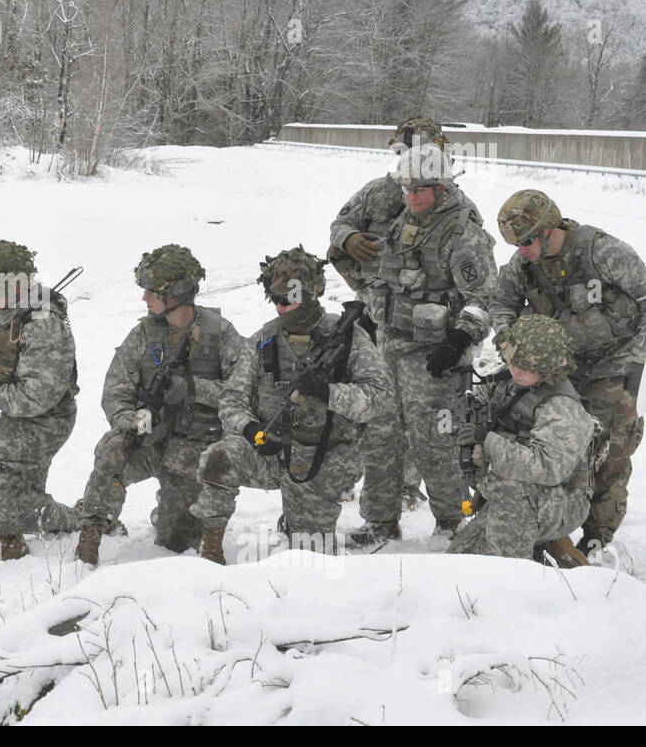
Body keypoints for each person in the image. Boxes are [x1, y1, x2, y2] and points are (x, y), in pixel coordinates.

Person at [190, 248, 394, 562]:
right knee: (218, 458)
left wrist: (328, 393)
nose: (281, 309)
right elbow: (232, 400)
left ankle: (299, 518)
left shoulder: (348, 339)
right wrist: (250, 429)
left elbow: (379, 399)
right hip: (271, 451)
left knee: (311, 557)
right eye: (276, 301)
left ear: (312, 295)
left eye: (288, 300)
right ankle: (212, 547)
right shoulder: (264, 340)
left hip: (326, 457)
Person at [328, 119, 483, 520]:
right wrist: (367, 291)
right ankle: (380, 521)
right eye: (406, 189)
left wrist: (460, 339)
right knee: (381, 435)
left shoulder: (460, 230)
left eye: (418, 190)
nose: (409, 196)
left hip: (433, 353)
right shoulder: (403, 220)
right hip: (389, 342)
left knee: (434, 440)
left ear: (441, 187)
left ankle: (453, 519)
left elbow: (486, 296)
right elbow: (377, 265)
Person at [489, 189, 646, 555]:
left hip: (611, 363)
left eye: (526, 241)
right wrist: (511, 345)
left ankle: (597, 537)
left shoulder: (602, 252)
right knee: (540, 440)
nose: (520, 250)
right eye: (515, 243)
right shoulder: (523, 262)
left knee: (611, 449)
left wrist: (636, 358)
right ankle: (545, 524)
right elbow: (503, 304)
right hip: (553, 366)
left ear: (548, 231)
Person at [74, 245, 244, 565]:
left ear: (177, 292)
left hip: (194, 449)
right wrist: (131, 420)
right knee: (112, 448)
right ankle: (92, 528)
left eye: (152, 291)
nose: (145, 298)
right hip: (150, 440)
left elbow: (244, 393)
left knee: (175, 543)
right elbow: (115, 390)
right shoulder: (143, 334)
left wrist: (194, 390)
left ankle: (168, 511)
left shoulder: (219, 334)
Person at [0, 241, 80, 561]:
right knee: (23, 504)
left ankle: (9, 541)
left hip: (47, 420)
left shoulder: (41, 322)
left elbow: (38, 396)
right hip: (17, 416)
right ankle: (82, 519)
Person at [449, 316, 595, 562]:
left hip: (562, 500)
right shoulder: (515, 379)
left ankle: (515, 584)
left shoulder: (561, 407)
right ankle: (536, 548)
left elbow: (547, 468)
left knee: (494, 563)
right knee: (461, 559)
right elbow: (486, 396)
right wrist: (472, 409)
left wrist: (488, 441)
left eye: (524, 366)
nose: (514, 369)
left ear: (548, 367)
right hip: (518, 493)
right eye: (512, 361)